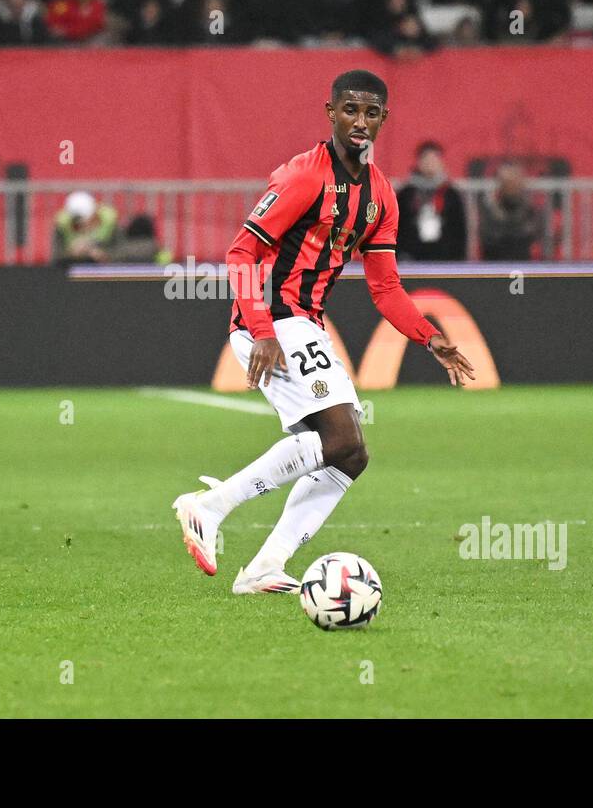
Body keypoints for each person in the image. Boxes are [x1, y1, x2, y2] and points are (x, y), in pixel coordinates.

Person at [172, 70, 475, 594]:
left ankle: (266, 565)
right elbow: (242, 252)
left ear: (384, 119)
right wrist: (262, 328)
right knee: (338, 440)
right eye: (350, 110)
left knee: (351, 455)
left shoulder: (381, 195)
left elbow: (384, 287)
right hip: (270, 319)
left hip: (302, 323)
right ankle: (209, 506)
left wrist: (429, 336)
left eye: (371, 112)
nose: (360, 122)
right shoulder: (303, 177)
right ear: (330, 113)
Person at [396, 140, 466, 260]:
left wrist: (458, 258)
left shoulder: (451, 194)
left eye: (434, 159)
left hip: (446, 260)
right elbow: (397, 228)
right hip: (410, 260)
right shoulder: (406, 194)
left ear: (441, 162)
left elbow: (460, 231)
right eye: (426, 160)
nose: (430, 164)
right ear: (419, 162)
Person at [479, 161, 544, 260]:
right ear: (500, 185)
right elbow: (489, 239)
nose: (511, 186)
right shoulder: (490, 211)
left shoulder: (531, 210)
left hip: (523, 266)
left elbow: (532, 236)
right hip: (495, 265)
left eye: (514, 181)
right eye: (507, 182)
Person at [52, 190, 117, 263]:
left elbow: (123, 250)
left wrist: (103, 255)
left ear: (94, 212)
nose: (82, 225)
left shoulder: (110, 223)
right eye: (77, 224)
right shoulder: (62, 226)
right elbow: (56, 256)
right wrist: (71, 253)